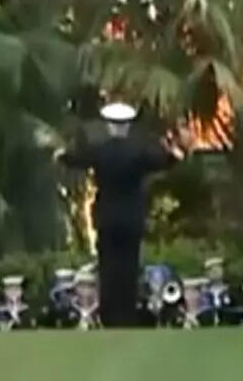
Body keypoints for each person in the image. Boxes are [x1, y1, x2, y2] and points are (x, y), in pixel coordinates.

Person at [55, 103, 189, 327]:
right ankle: (127, 316)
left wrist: (61, 154)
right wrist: (175, 153)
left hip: (107, 217)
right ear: (128, 126)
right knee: (128, 267)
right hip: (131, 218)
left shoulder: (101, 150)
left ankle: (108, 316)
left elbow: (75, 158)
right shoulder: (138, 151)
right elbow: (163, 160)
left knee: (108, 267)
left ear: (109, 127)